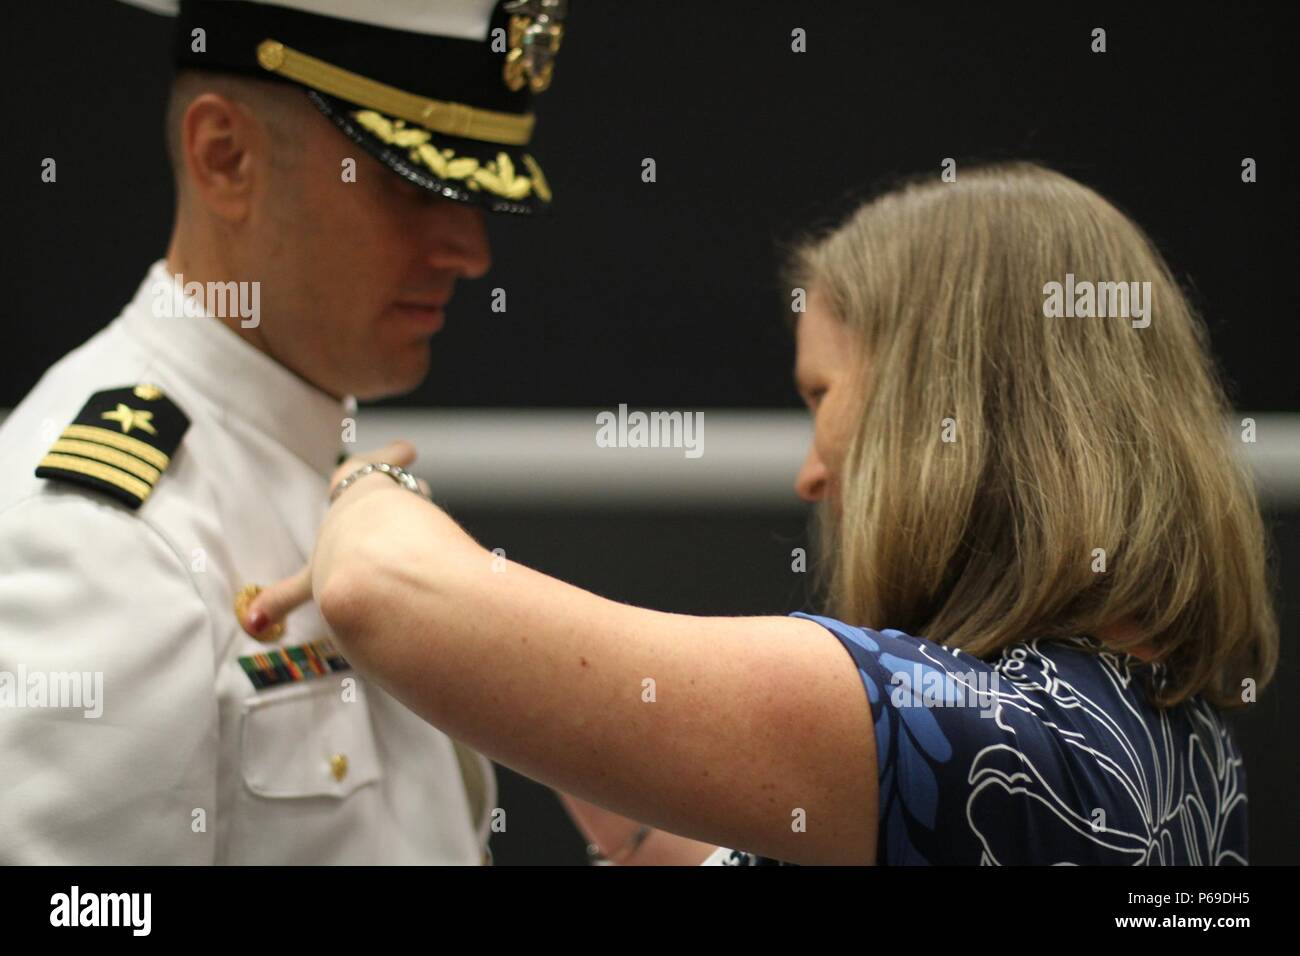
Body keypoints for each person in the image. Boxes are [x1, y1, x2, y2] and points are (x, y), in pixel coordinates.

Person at [248, 163, 1279, 865]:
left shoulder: (943, 721)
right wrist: (569, 739)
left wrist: (360, 485)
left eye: (821, 397)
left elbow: (376, 587)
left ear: (942, 402)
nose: (810, 473)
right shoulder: (1157, 729)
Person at [0, 0, 568, 864]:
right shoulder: (104, 534)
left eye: (472, 194)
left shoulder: (317, 453)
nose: (469, 248)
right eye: (411, 183)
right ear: (224, 158)